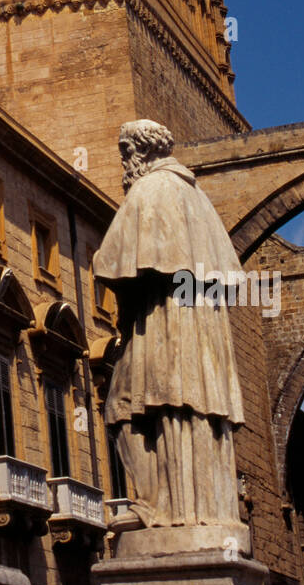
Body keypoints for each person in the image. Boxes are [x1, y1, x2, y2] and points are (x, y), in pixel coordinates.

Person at [94, 119, 245, 529]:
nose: (124, 161)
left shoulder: (150, 190)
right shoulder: (197, 197)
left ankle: (156, 507)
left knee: (124, 406)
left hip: (163, 325)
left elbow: (116, 266)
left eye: (126, 152)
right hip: (199, 331)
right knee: (190, 405)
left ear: (141, 152)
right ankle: (205, 512)